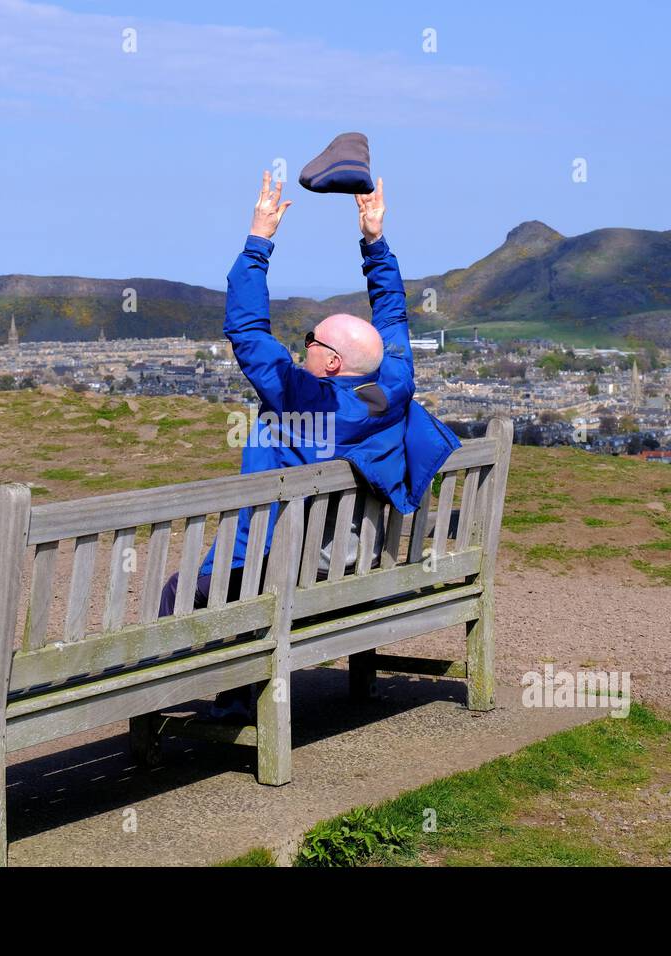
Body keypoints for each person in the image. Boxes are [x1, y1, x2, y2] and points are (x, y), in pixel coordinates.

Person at [159, 171, 461, 718]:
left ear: (333, 362)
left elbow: (248, 331)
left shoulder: (304, 404)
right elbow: (392, 316)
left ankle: (208, 702)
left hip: (287, 573)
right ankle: (232, 695)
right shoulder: (392, 386)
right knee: (244, 577)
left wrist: (259, 240)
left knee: (186, 589)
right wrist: (374, 240)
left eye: (311, 341)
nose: (303, 347)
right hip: (351, 567)